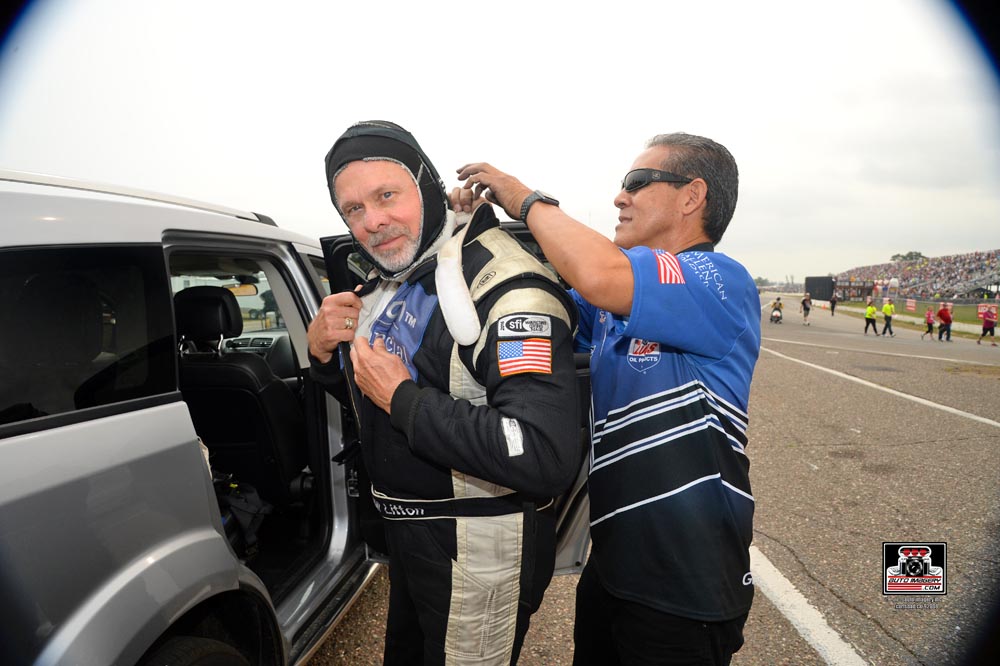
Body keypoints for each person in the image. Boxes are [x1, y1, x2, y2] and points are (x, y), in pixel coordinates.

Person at [456, 132, 760, 665]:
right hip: (614, 569)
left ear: (692, 196)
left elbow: (596, 274)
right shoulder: (615, 301)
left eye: (637, 183)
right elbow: (535, 304)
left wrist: (526, 199)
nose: (621, 197)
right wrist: (468, 229)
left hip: (686, 587)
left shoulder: (719, 281)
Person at [307, 121, 582, 665]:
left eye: (387, 195)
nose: (373, 222)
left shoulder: (508, 288)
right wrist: (322, 358)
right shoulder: (401, 279)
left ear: (428, 186)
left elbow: (544, 454)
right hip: (414, 544)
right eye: (353, 210)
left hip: (478, 553)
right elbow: (377, 404)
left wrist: (403, 398)